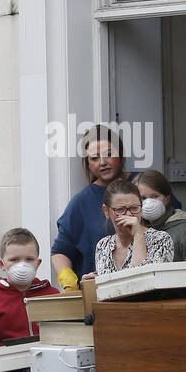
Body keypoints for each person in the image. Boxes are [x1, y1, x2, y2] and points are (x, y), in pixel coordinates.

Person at [51, 124, 127, 290]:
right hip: (100, 294)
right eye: (94, 158)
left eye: (109, 154)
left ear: (120, 154)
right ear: (88, 163)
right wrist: (70, 283)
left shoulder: (143, 185)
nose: (103, 162)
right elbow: (60, 251)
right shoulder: (81, 202)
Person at [0, 229, 60, 352]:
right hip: (4, 369)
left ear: (38, 263)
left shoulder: (52, 296)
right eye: (14, 260)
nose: (22, 265)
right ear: (1, 264)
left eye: (29, 259)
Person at [87, 180, 175, 276]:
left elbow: (142, 281)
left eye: (134, 208)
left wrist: (138, 235)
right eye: (120, 209)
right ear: (106, 211)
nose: (129, 214)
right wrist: (90, 282)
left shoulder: (161, 240)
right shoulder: (103, 245)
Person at [135, 169, 186, 262]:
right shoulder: (137, 231)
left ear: (167, 198)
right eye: (143, 198)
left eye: (155, 196)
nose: (149, 203)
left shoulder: (185, 229)